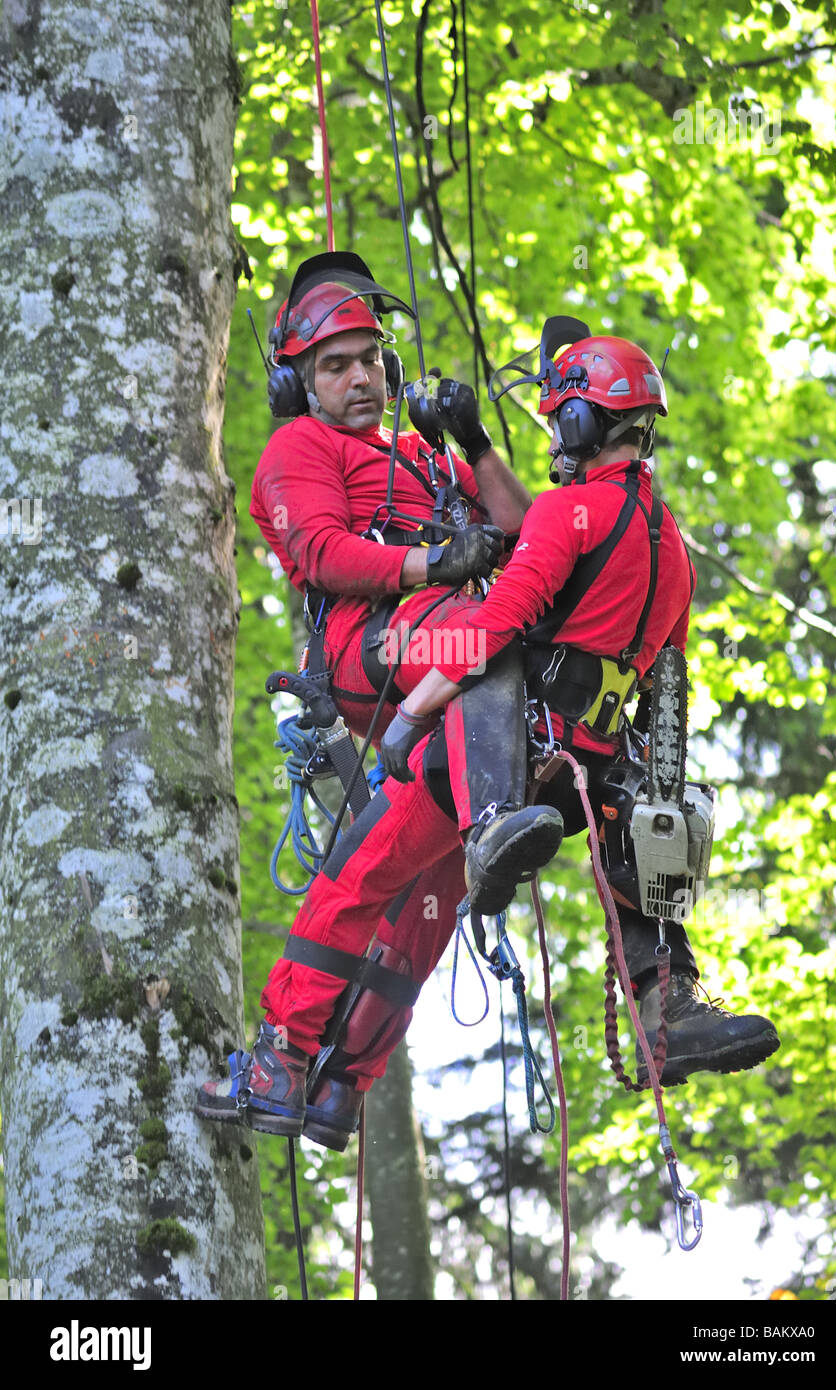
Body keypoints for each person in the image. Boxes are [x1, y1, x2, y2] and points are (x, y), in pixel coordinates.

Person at [195, 318, 778, 1149]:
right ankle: (662, 1002)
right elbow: (666, 680)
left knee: (352, 880)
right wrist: (640, 783)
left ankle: (283, 1064)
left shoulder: (560, 511)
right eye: (337, 366)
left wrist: (414, 711)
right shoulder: (669, 544)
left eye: (556, 421)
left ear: (580, 427)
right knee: (484, 892)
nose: (552, 438)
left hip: (483, 750)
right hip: (571, 756)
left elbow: (499, 619)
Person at [195, 253, 563, 1149]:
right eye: (335, 365)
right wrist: (431, 563)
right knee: (473, 624)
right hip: (378, 647)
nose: (360, 377)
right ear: (300, 384)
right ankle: (493, 822)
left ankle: (328, 1080)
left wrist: (472, 444)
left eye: (370, 359)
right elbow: (319, 551)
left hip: (456, 707)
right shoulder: (299, 450)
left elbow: (529, 533)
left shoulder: (419, 455)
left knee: (409, 893)